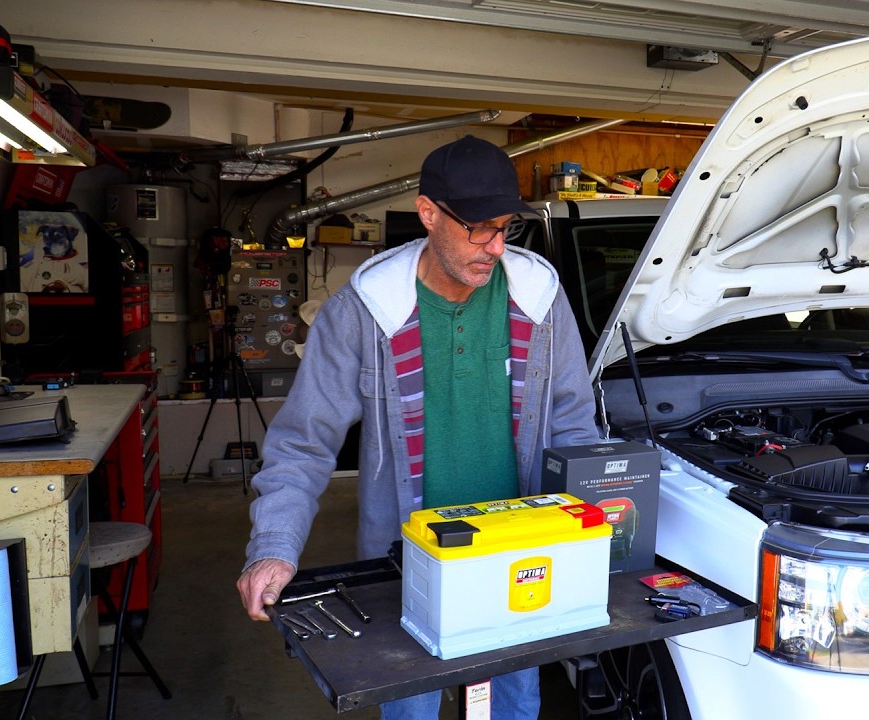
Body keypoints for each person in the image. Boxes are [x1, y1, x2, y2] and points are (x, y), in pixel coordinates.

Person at [236, 135, 600, 719]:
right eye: (478, 229)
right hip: (408, 563)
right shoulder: (365, 309)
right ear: (429, 213)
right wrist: (274, 549)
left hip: (523, 556)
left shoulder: (540, 297)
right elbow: (304, 442)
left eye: (506, 227)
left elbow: (574, 426)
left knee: (516, 703)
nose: (495, 246)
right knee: (411, 707)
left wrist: (594, 532)